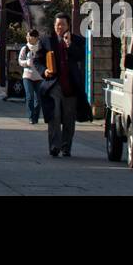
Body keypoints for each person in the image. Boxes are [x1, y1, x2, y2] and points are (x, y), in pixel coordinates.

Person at [34, 13, 89, 157]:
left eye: (63, 24)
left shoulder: (77, 40)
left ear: (68, 25)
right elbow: (37, 60)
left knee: (69, 118)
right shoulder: (46, 41)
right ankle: (54, 146)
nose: (60, 27)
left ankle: (66, 147)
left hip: (71, 85)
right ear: (54, 26)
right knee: (55, 115)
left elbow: (80, 56)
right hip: (53, 85)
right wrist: (44, 71)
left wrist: (69, 45)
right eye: (57, 24)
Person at [18, 29, 44, 125]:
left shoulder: (41, 48)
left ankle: (35, 117)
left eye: (30, 36)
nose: (28, 38)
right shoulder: (25, 48)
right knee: (29, 97)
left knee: (38, 98)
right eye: (27, 36)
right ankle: (30, 117)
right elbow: (20, 61)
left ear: (36, 37)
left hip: (39, 77)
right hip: (27, 76)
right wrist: (26, 63)